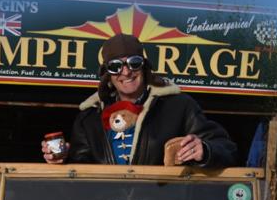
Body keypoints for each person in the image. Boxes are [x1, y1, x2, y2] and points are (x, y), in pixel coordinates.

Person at [42, 33, 236, 167]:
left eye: (134, 63)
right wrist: (64, 160)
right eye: (116, 66)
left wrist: (205, 150)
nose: (126, 72)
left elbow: (227, 149)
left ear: (144, 67)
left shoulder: (179, 106)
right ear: (106, 74)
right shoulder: (89, 118)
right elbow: (80, 177)